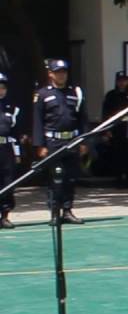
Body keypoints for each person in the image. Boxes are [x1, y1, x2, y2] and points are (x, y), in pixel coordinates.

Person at [32, 58, 88, 225]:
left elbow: (82, 119)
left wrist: (84, 141)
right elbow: (38, 121)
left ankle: (68, 210)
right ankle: (55, 212)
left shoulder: (75, 92)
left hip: (71, 140)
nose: (61, 75)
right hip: (52, 142)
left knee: (70, 178)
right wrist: (40, 145)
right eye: (58, 73)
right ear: (51, 74)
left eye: (64, 72)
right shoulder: (43, 94)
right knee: (54, 177)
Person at [102, 70, 128, 187]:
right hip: (115, 128)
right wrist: (106, 130)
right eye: (120, 81)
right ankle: (119, 178)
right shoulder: (111, 95)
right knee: (117, 154)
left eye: (124, 81)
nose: (122, 83)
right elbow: (105, 113)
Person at [0, 73, 19, 229]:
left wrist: (17, 153)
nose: (0, 90)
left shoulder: (11, 108)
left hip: (6, 149)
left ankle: (5, 215)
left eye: (3, 87)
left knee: (8, 182)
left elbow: (15, 133)